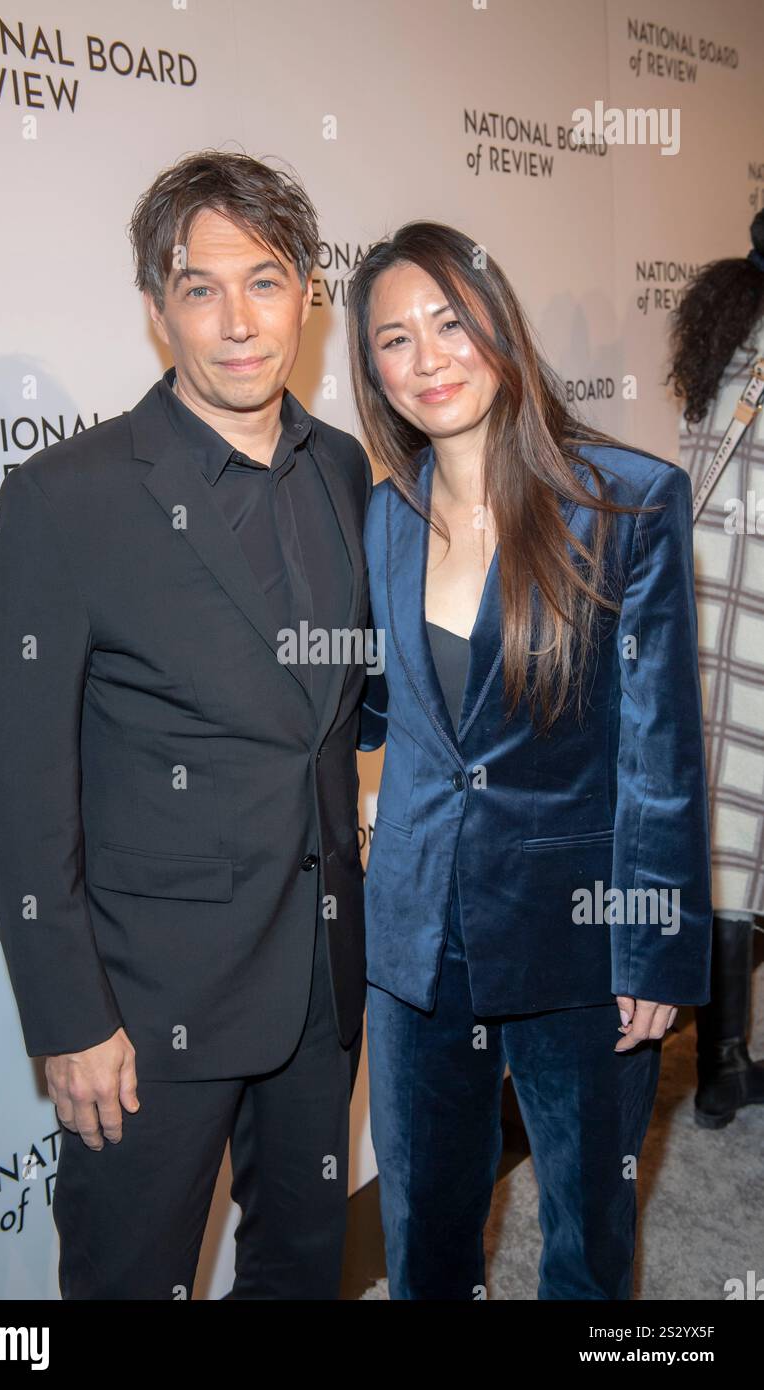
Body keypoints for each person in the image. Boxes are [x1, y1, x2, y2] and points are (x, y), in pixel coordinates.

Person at [0, 150, 373, 1300]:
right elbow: (18, 783)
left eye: (264, 281)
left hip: (316, 980)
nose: (239, 322)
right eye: (201, 288)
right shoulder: (69, 498)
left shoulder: (344, 471)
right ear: (157, 309)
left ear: (307, 291)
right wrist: (69, 1017)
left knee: (301, 1263)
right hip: (145, 1013)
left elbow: (338, 711)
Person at [348, 221, 713, 1300]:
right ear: (370, 370)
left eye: (448, 323)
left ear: (496, 323)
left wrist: (651, 938)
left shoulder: (623, 500)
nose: (427, 358)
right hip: (417, 932)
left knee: (585, 1239)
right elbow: (376, 701)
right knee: (422, 1234)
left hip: (579, 928)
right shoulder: (382, 517)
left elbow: (657, 744)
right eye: (393, 340)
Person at [667, 208, 764, 1129]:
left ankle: (722, 1062)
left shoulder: (729, 328)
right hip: (753, 627)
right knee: (739, 844)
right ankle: (723, 1063)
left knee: (729, 844)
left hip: (715, 625)